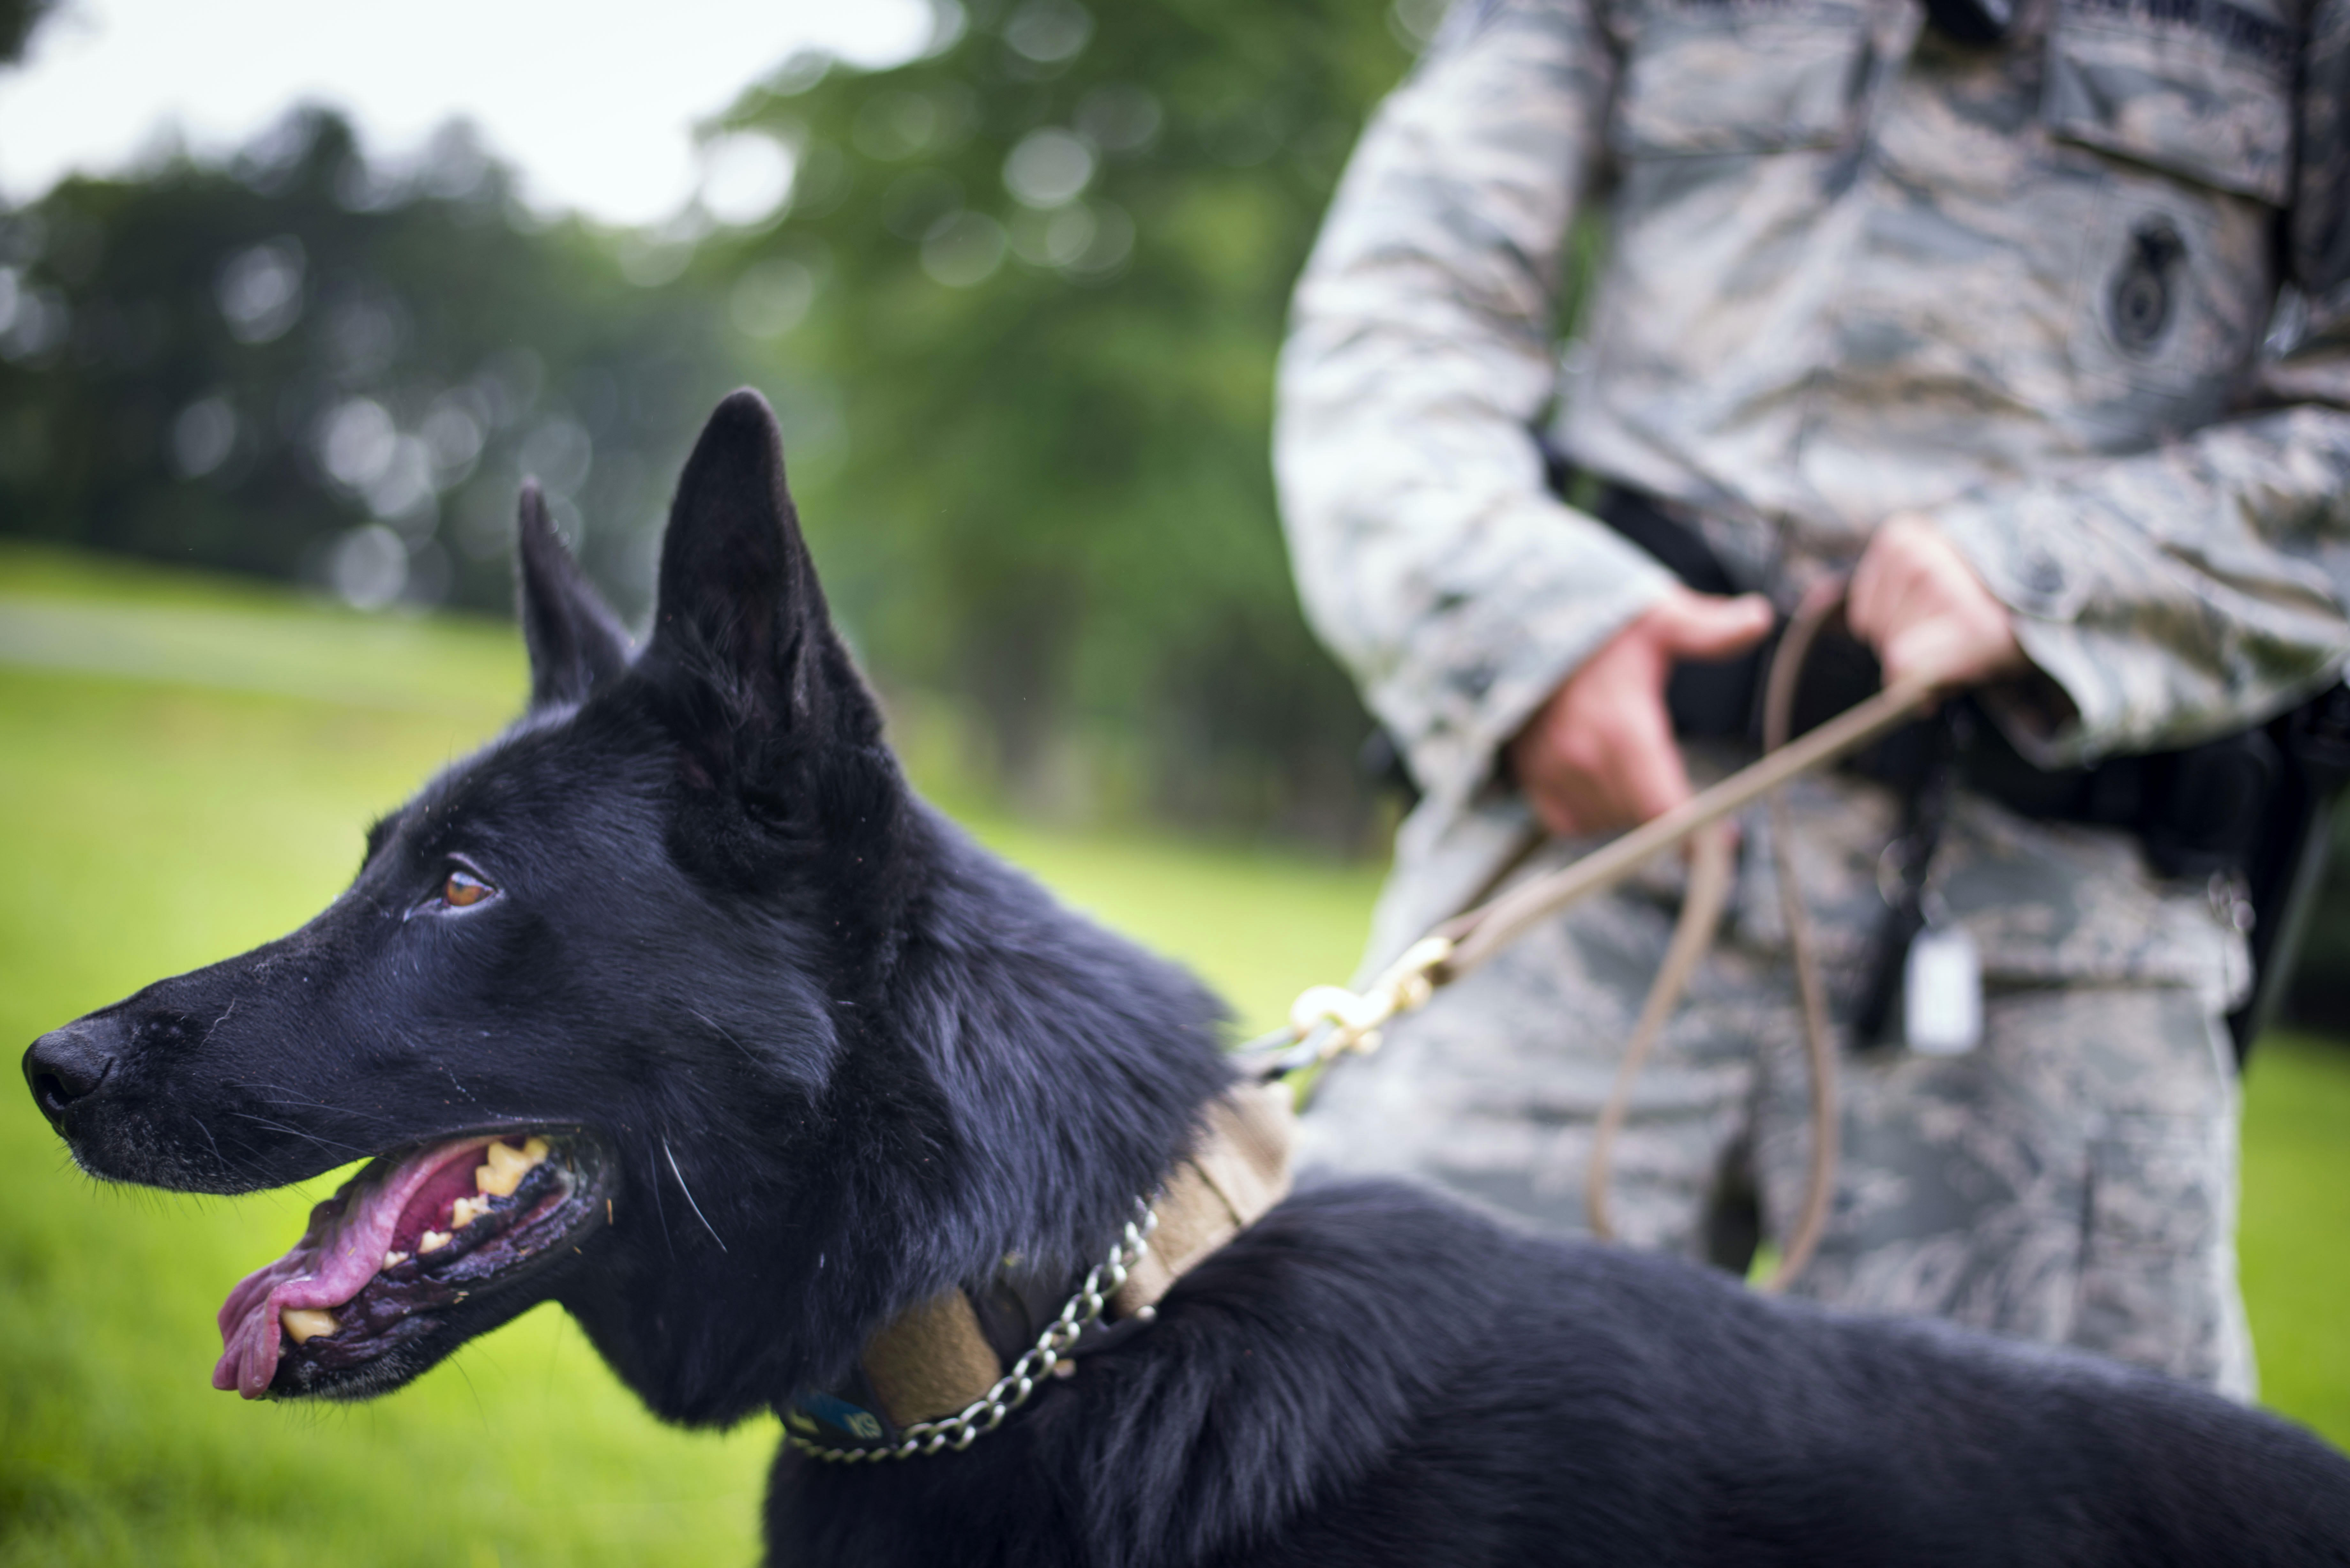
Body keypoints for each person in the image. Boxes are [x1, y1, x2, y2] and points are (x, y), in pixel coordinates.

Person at [1274, 0, 2350, 1398]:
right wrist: (1527, 628)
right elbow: (1400, 302)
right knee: (1317, 1443)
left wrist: (2057, 572)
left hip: (2059, 941)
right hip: (1594, 853)